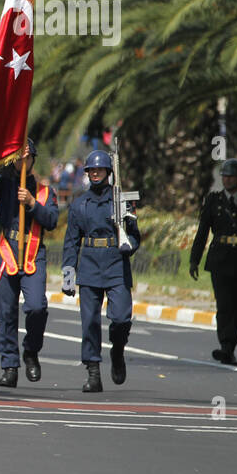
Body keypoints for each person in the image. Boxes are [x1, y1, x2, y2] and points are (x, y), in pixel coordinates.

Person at [61, 149, 140, 392]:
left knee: (121, 318)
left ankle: (117, 350)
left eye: (99, 170)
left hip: (116, 263)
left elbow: (134, 235)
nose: (95, 173)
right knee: (90, 323)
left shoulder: (121, 201)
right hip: (90, 265)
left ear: (108, 172)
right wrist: (68, 275)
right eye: (91, 170)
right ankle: (93, 371)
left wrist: (129, 245)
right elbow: (71, 241)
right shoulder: (79, 204)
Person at [0, 139, 59, 387]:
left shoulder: (44, 192)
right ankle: (9, 366)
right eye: (17, 158)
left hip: (33, 254)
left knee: (37, 307)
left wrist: (31, 203)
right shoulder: (4, 184)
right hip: (7, 252)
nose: (21, 162)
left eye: (26, 158)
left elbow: (51, 220)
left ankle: (31, 350)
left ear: (32, 160)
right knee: (7, 315)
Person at [189, 158, 237, 366]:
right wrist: (194, 260)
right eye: (224, 176)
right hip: (220, 259)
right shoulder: (213, 201)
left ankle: (231, 347)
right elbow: (203, 232)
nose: (227, 179)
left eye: (231, 176)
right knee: (224, 304)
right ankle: (225, 345)